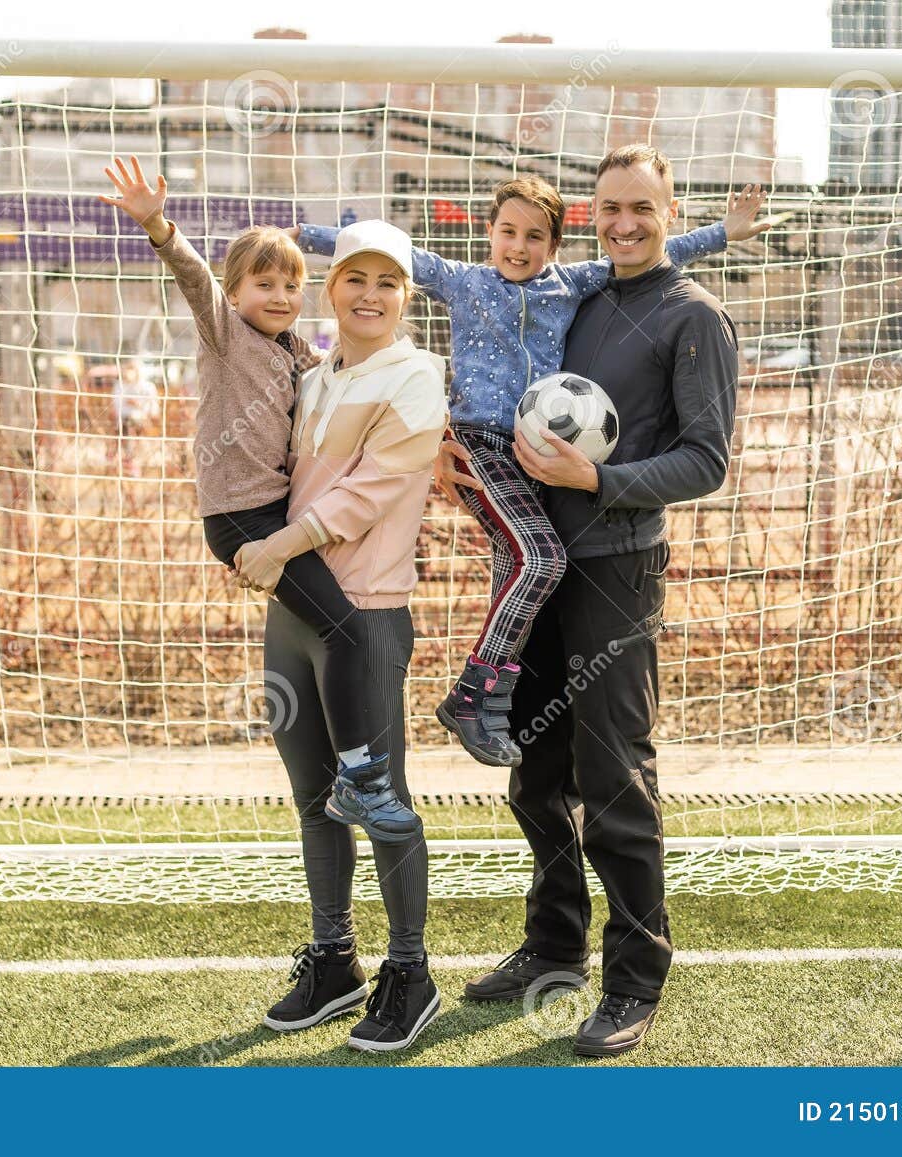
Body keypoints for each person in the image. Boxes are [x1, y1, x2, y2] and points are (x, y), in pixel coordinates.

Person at [293, 177, 771, 768]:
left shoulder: (570, 285)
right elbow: (396, 254)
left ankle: (492, 699)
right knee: (541, 559)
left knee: (518, 564)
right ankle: (475, 690)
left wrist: (726, 233)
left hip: (531, 450)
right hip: (478, 445)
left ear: (554, 244)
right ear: (489, 233)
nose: (518, 247)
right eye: (507, 232)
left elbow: (657, 251)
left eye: (535, 237)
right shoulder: (464, 282)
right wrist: (307, 237)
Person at [445, 146, 742, 1057]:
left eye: (641, 208)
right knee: (535, 772)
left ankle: (635, 976)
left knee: (615, 778)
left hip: (618, 568)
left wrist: (598, 474)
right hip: (538, 563)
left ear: (668, 210)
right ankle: (553, 945)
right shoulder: (572, 298)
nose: (624, 223)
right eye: (609, 208)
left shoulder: (694, 317)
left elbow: (707, 459)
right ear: (592, 214)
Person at [99, 157, 418, 842]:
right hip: (238, 514)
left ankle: (352, 773)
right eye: (262, 283)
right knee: (347, 630)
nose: (278, 294)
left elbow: (347, 383)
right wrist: (157, 223)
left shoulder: (299, 352)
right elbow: (190, 274)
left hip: (277, 517)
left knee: (341, 633)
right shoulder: (226, 334)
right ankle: (360, 777)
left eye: (290, 284)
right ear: (235, 291)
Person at [232, 219, 449, 1051]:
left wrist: (277, 545)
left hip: (365, 615)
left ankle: (411, 971)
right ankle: (334, 961)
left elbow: (369, 491)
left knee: (380, 796)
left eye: (387, 282)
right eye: (355, 278)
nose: (370, 294)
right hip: (292, 613)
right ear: (333, 289)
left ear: (405, 297)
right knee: (314, 795)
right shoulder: (312, 374)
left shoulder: (418, 376)